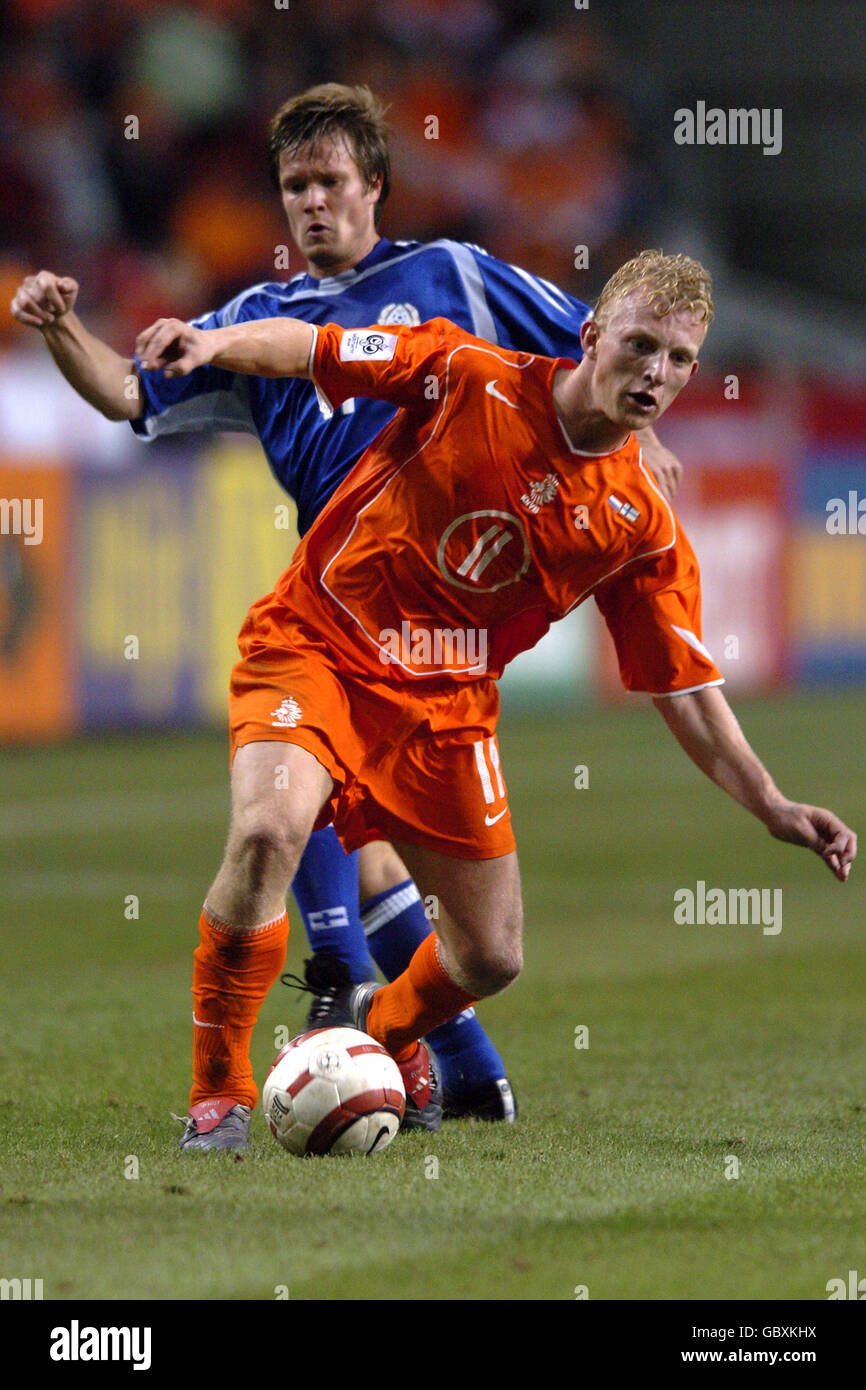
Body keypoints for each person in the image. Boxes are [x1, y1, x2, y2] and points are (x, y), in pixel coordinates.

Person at [11, 83, 685, 1135]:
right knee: (285, 825)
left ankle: (404, 1035)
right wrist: (63, 330)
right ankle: (287, 1069)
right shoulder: (249, 324)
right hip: (334, 613)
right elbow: (130, 395)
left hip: (439, 628)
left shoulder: (454, 275)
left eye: (332, 181)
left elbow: (595, 350)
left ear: (375, 185)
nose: (313, 203)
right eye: (293, 186)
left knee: (442, 907)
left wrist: (646, 441)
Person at [134, 248, 857, 1153]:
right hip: (319, 642)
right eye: (640, 345)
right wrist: (212, 342)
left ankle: (376, 1032)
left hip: (447, 709)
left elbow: (687, 686)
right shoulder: (465, 375)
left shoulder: (641, 523)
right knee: (269, 830)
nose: (656, 374)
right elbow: (312, 348)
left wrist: (773, 803)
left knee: (491, 955)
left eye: (679, 360)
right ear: (592, 338)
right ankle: (218, 1096)